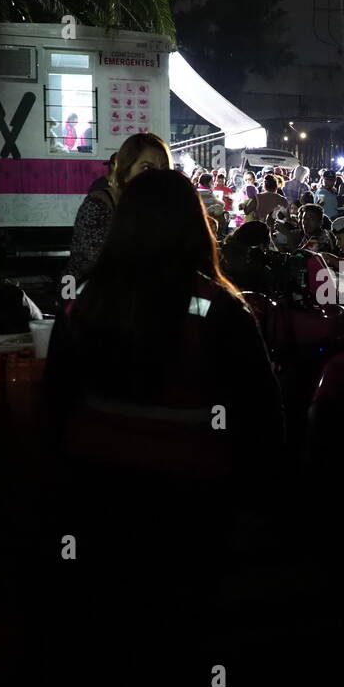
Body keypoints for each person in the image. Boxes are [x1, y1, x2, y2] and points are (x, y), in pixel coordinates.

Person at [44, 169, 283, 473]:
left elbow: (55, 399)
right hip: (191, 483)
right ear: (194, 226)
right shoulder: (219, 306)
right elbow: (259, 412)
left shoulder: (81, 300)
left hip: (94, 482)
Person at [62, 132, 170, 290]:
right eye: (147, 167)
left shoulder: (160, 206)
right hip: (81, 294)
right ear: (126, 172)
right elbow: (101, 261)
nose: (157, 176)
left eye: (164, 169)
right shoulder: (98, 204)